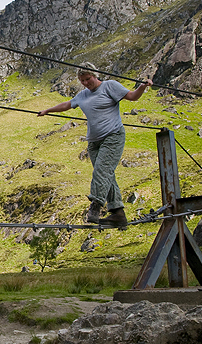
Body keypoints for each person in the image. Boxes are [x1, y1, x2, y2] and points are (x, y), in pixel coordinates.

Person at [38, 63, 152, 226]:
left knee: (102, 171)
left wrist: (142, 87)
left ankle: (96, 206)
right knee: (107, 175)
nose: (85, 83)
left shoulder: (109, 86)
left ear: (95, 75)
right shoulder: (83, 95)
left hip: (113, 136)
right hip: (94, 142)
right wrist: (47, 110)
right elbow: (67, 105)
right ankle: (118, 213)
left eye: (88, 79)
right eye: (82, 80)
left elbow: (132, 96)